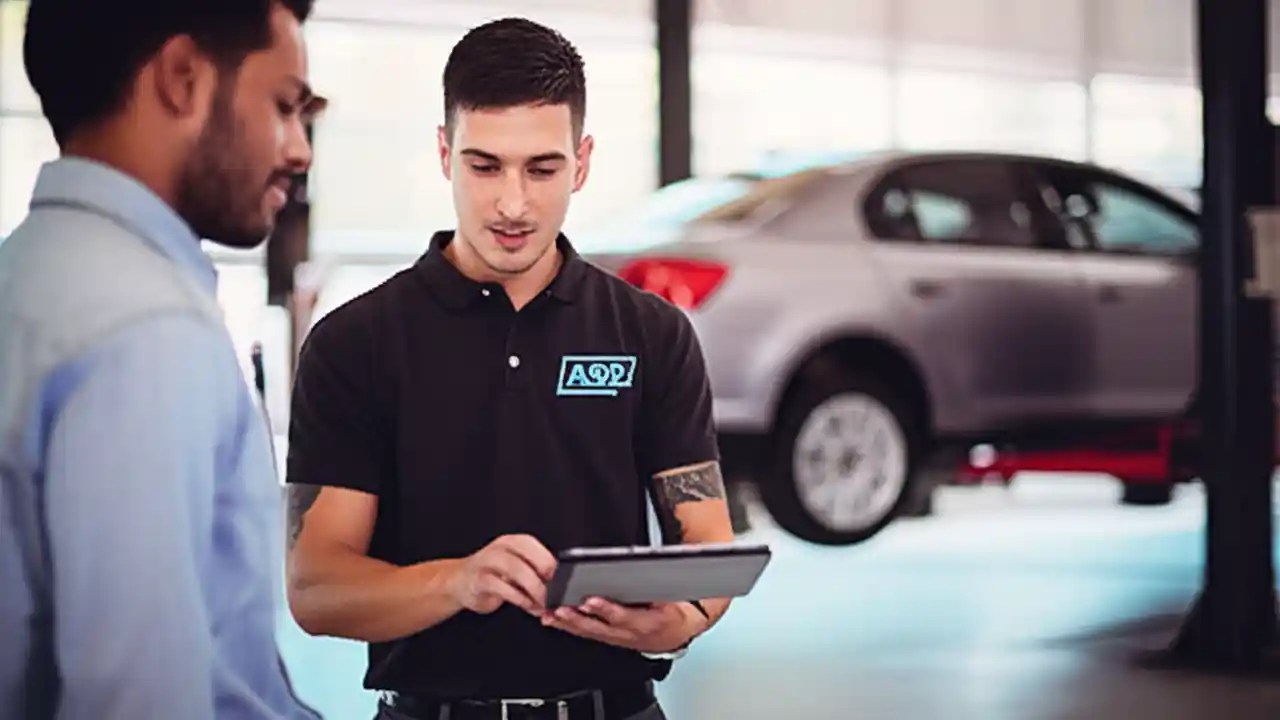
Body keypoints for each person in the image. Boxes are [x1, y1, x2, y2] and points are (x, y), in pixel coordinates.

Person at [284, 17, 736, 720]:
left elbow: (708, 543)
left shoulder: (651, 334)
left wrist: (680, 621)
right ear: (445, 153)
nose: (513, 204)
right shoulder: (355, 343)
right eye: (484, 165)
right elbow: (315, 587)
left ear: (582, 163)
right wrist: (459, 582)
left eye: (543, 169)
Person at [0, 1, 327, 718]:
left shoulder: (24, 279)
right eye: (282, 105)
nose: (300, 149)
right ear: (182, 78)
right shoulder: (146, 329)